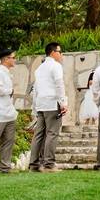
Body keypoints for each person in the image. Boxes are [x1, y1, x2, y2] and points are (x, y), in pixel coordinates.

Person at [27, 42, 67, 173]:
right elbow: (59, 85)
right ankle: (49, 164)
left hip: (41, 104)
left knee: (38, 134)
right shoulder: (56, 66)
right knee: (52, 133)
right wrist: (63, 103)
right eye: (60, 52)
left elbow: (36, 90)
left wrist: (35, 107)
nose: (61, 54)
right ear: (53, 52)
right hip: (52, 103)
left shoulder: (39, 69)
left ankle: (33, 164)